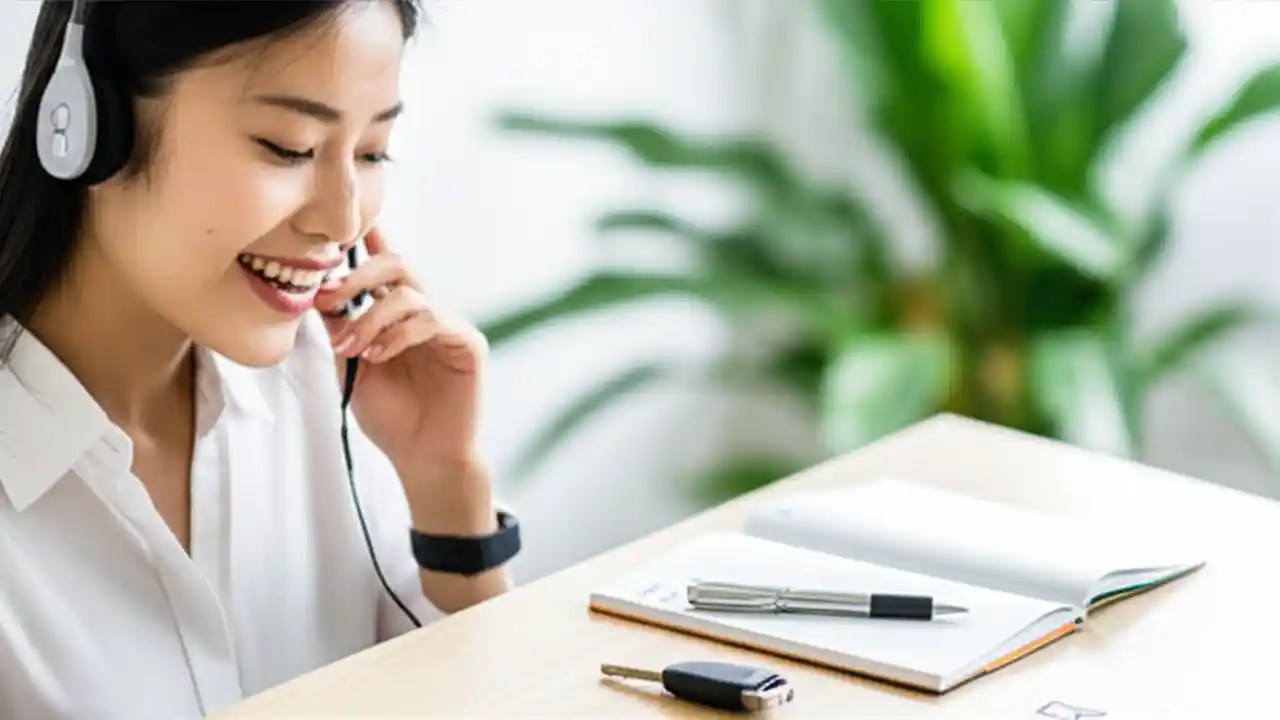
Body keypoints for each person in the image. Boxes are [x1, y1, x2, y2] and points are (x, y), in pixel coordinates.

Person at [0, 2, 518, 717]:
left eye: (371, 152)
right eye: (289, 146)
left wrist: (445, 481)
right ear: (86, 124)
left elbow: (488, 698)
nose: (343, 221)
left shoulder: (329, 379)